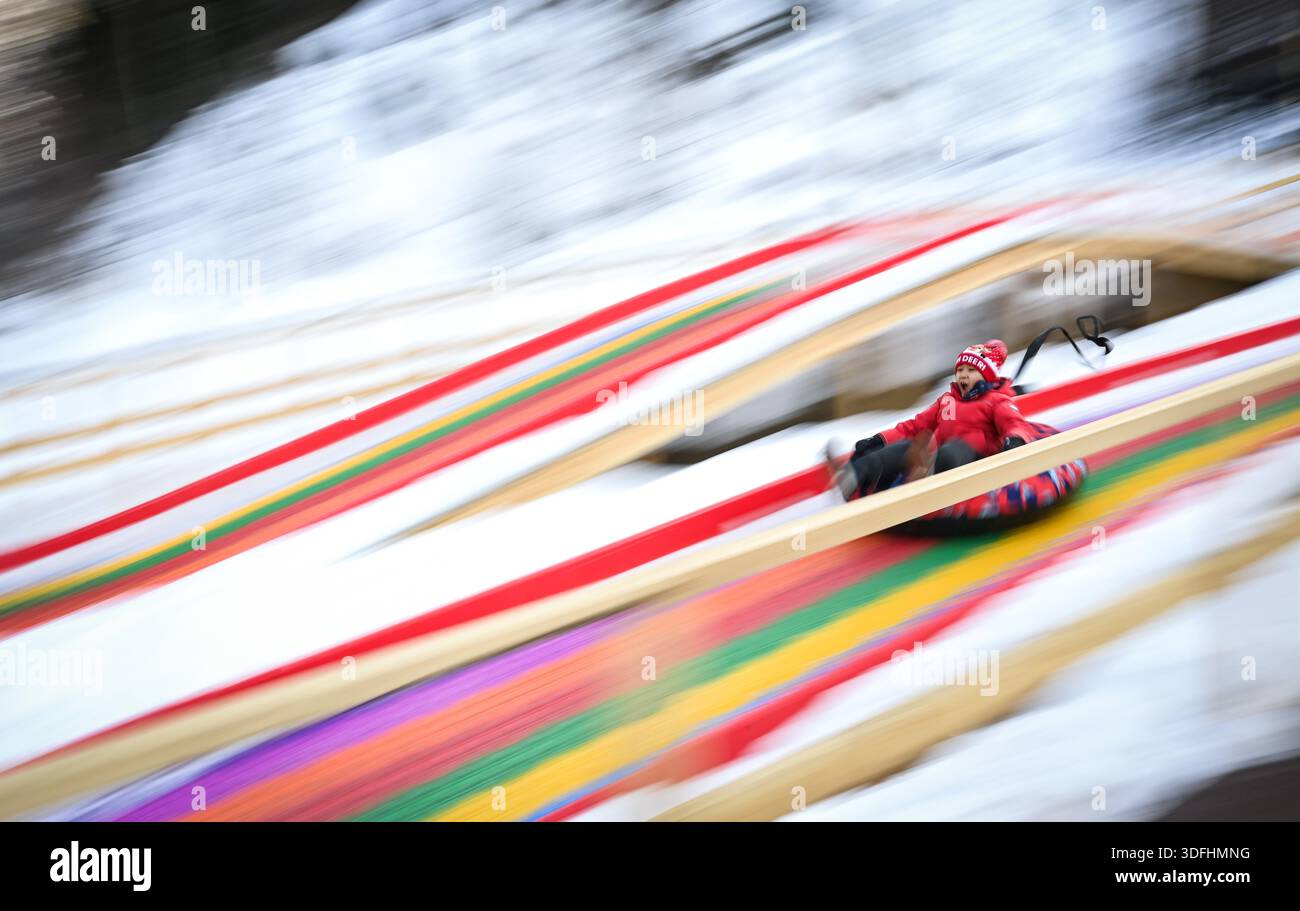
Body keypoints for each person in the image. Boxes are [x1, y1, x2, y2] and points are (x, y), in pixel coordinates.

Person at [838, 339, 1037, 500]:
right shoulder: (947, 401)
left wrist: (1016, 440)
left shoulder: (996, 401)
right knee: (906, 447)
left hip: (978, 462)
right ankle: (857, 474)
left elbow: (1015, 424)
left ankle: (929, 476)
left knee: (956, 449)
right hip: (943, 458)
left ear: (986, 376)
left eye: (971, 371)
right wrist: (879, 440)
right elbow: (914, 427)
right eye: (960, 370)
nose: (963, 376)